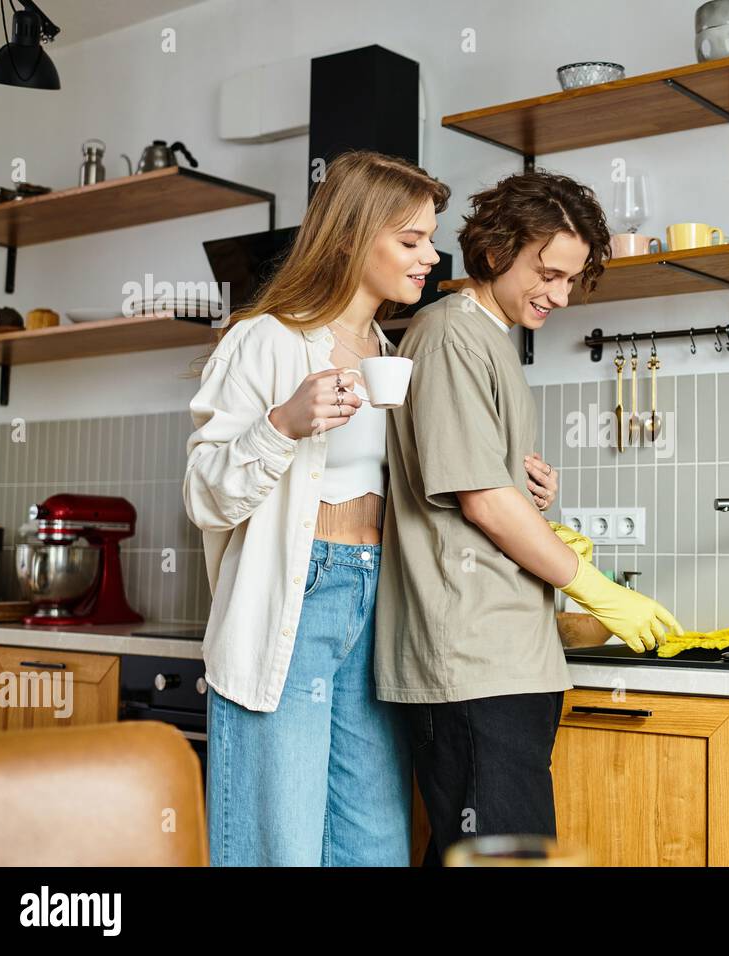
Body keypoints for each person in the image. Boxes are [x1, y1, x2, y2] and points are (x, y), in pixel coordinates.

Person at [183, 150, 555, 866]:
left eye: (431, 238)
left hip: (381, 602)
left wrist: (520, 484)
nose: (431, 255)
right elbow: (204, 494)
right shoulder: (265, 338)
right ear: (353, 237)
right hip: (298, 604)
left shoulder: (396, 350)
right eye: (411, 240)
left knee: (373, 846)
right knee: (280, 845)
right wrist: (283, 423)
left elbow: (432, 488)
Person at [375, 169, 683, 865]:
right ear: (495, 250)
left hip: (507, 655)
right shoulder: (450, 333)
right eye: (547, 273)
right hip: (471, 654)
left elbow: (481, 484)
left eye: (572, 280)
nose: (559, 295)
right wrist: (596, 588)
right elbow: (482, 501)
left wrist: (527, 498)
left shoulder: (491, 338)